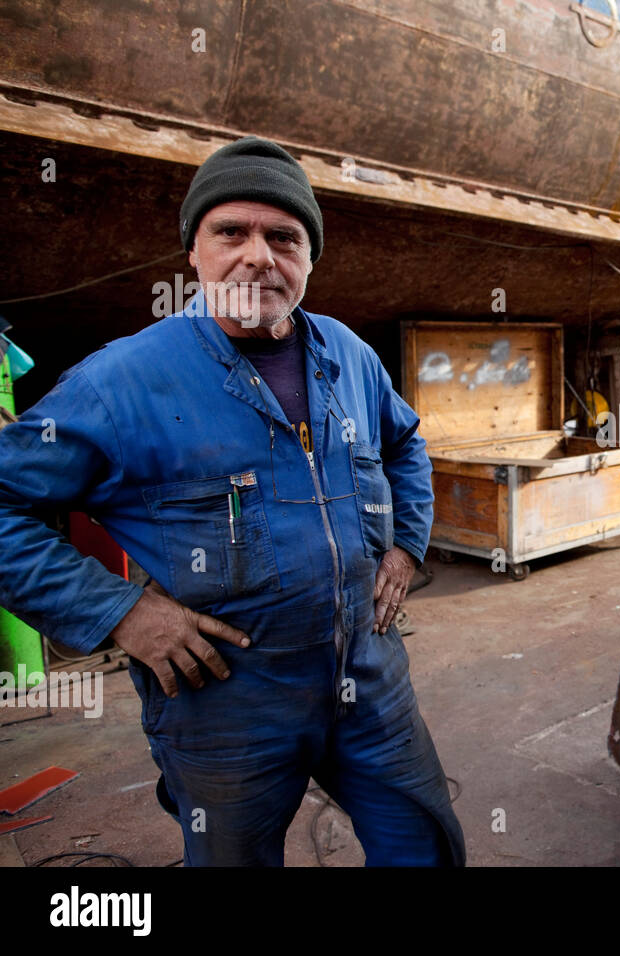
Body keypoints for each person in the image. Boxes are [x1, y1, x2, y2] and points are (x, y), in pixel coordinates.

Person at [0, 137, 465, 866]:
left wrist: (406, 543)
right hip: (226, 701)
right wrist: (119, 612)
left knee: (424, 849)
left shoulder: (348, 354)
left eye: (284, 237)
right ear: (194, 252)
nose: (258, 256)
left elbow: (405, 443)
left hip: (369, 677)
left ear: (309, 258)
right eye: (231, 232)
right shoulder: (122, 382)